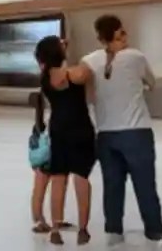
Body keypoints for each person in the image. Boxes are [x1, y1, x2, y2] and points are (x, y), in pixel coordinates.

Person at [81, 15, 162, 242]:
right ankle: (154, 229)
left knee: (112, 185)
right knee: (145, 184)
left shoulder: (89, 60)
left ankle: (114, 230)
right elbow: (152, 82)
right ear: (118, 34)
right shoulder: (136, 57)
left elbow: (90, 96)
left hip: (105, 134)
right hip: (136, 132)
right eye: (123, 31)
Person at [34, 36, 94, 246]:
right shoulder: (73, 74)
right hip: (81, 129)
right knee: (81, 177)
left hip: (58, 130)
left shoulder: (44, 77)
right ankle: (83, 228)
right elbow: (85, 73)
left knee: (59, 177)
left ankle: (55, 228)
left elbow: (59, 70)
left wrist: (59, 49)